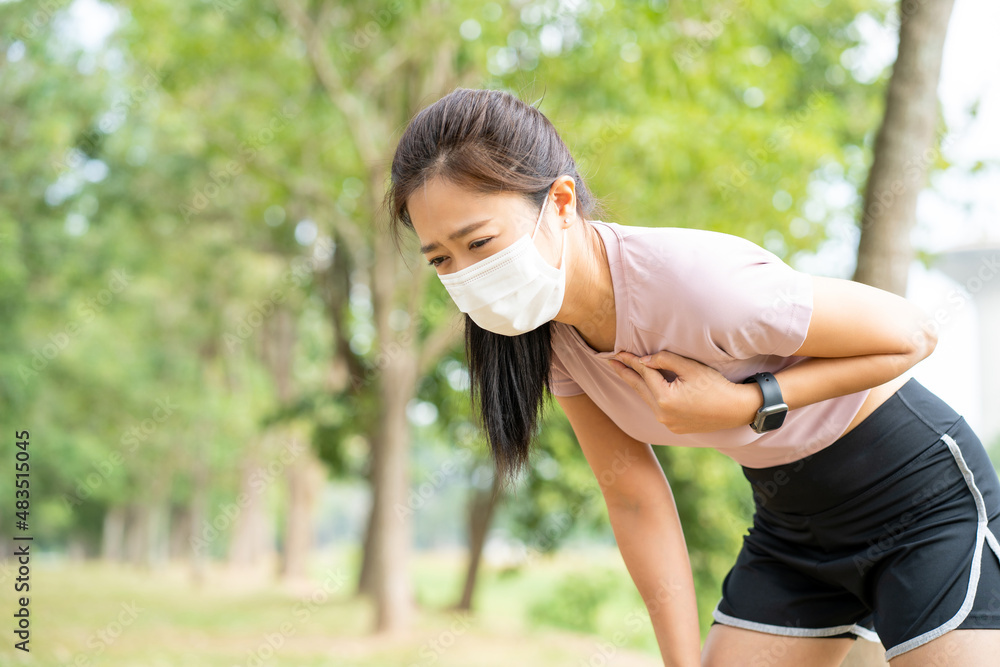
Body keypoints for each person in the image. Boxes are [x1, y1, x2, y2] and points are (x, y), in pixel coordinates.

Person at [383, 87, 1000, 666]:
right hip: (791, 527)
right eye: (442, 258)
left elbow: (913, 332)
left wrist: (750, 403)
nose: (467, 272)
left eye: (480, 242)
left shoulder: (701, 284)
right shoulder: (545, 336)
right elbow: (632, 494)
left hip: (921, 501)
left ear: (561, 204)